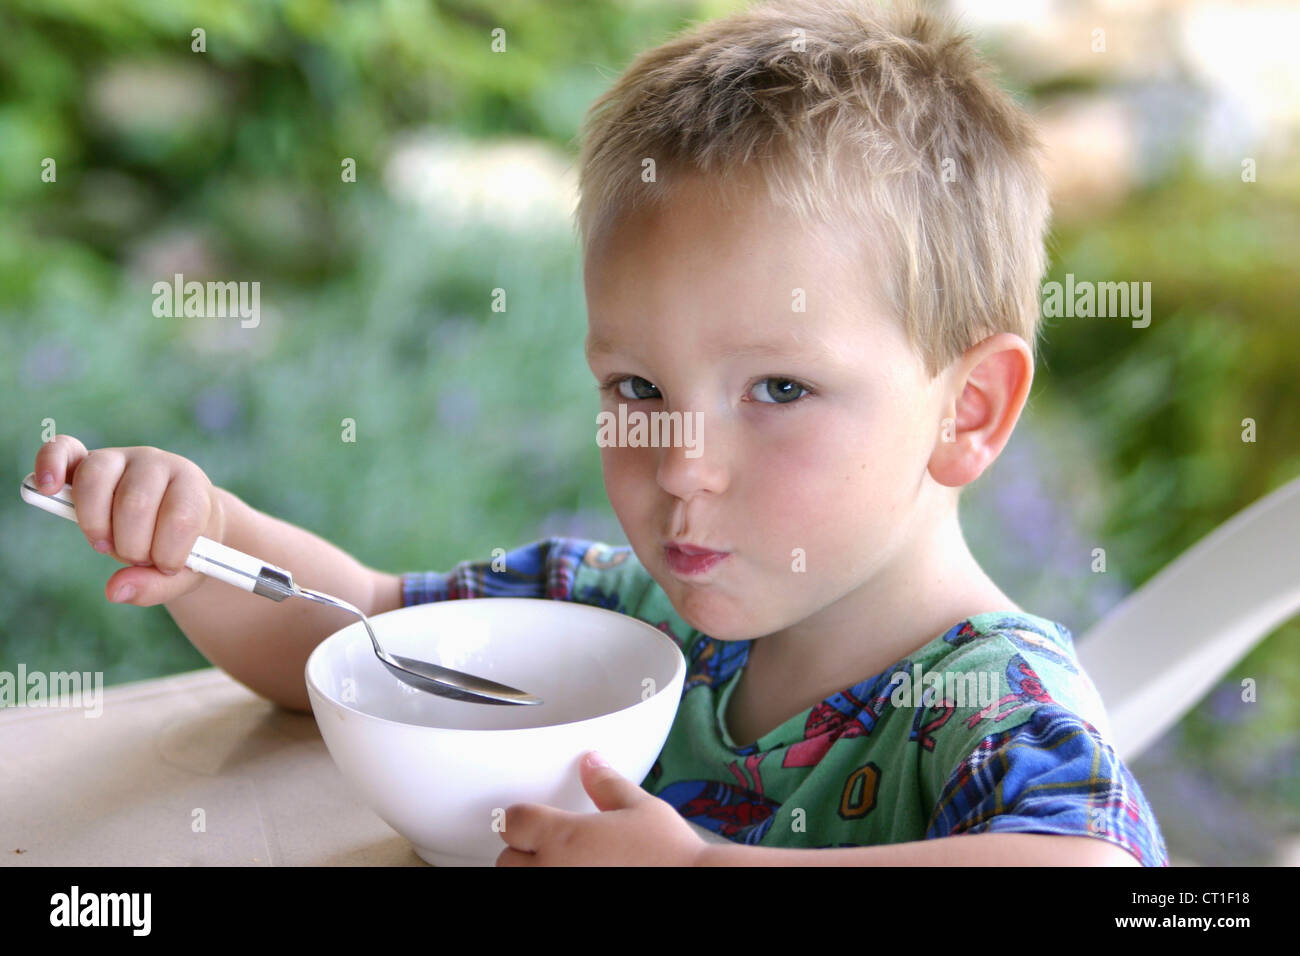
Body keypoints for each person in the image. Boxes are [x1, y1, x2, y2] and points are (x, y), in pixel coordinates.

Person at [30, 0, 1167, 866]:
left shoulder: (989, 702)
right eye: (635, 385)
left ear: (965, 411)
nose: (681, 463)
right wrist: (203, 535)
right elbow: (364, 631)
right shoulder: (615, 611)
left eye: (776, 388)